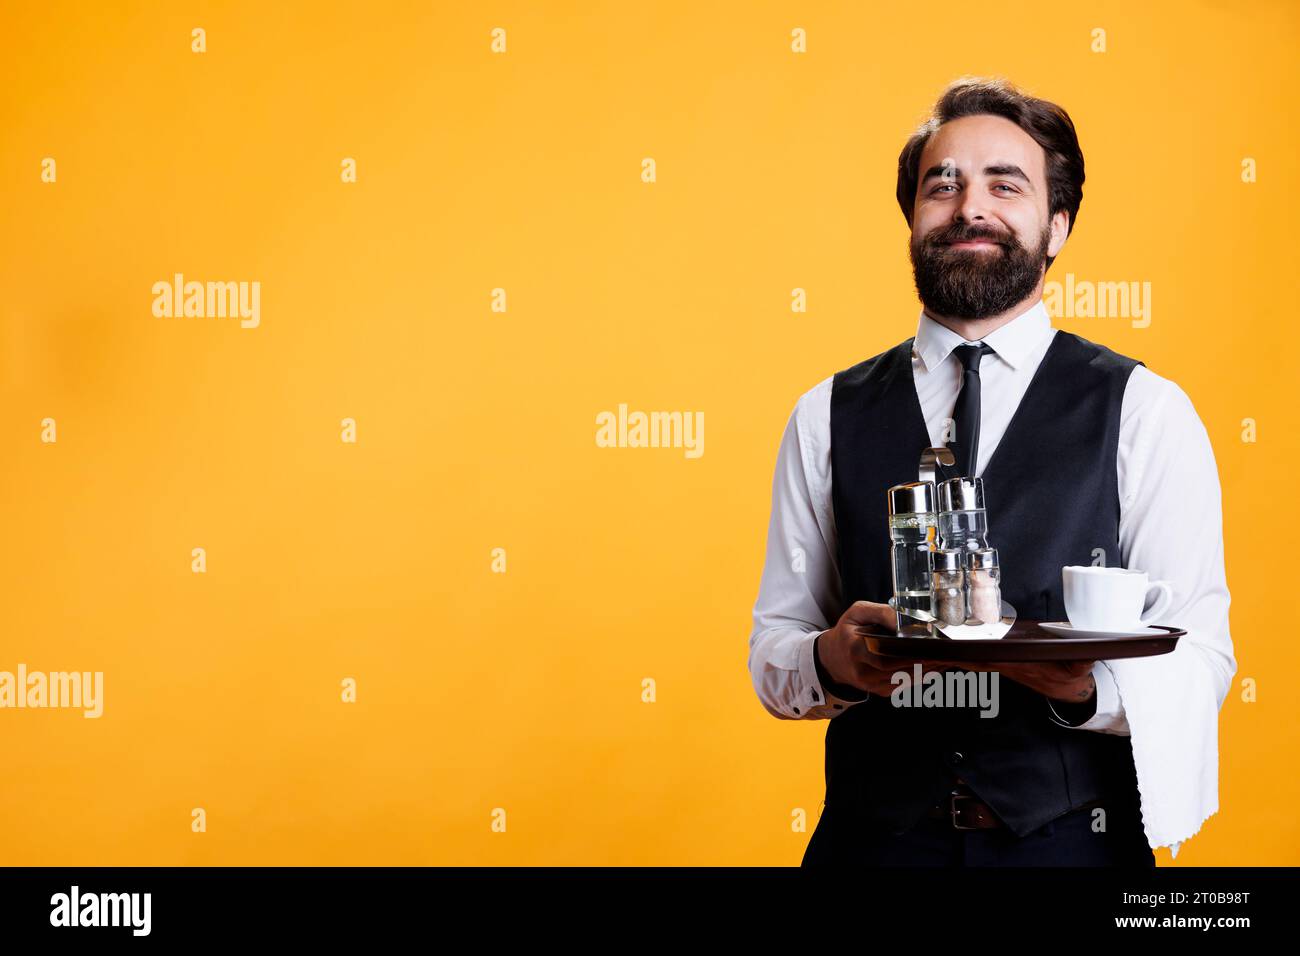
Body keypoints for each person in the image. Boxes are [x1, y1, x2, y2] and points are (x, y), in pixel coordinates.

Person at [747, 76, 1235, 866]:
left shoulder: (1146, 410)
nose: (970, 206)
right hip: (873, 851)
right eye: (943, 184)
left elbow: (1202, 657)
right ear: (913, 218)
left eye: (1005, 184)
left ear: (1057, 227)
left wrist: (1084, 693)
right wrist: (830, 661)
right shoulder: (824, 414)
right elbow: (777, 648)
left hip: (1074, 848)